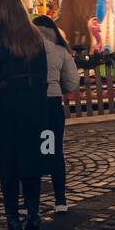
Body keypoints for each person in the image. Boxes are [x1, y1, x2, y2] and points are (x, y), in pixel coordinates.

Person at [0, 0, 50, 230]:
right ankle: (33, 215)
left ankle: (13, 219)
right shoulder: (35, 35)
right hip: (33, 107)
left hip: (10, 107)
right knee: (31, 161)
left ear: (1, 11)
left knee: (8, 163)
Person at [32, 15, 80, 213]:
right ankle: (60, 199)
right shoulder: (60, 51)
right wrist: (56, 86)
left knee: (29, 151)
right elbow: (72, 82)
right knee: (52, 150)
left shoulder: (25, 51)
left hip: (30, 106)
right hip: (51, 106)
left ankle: (29, 202)